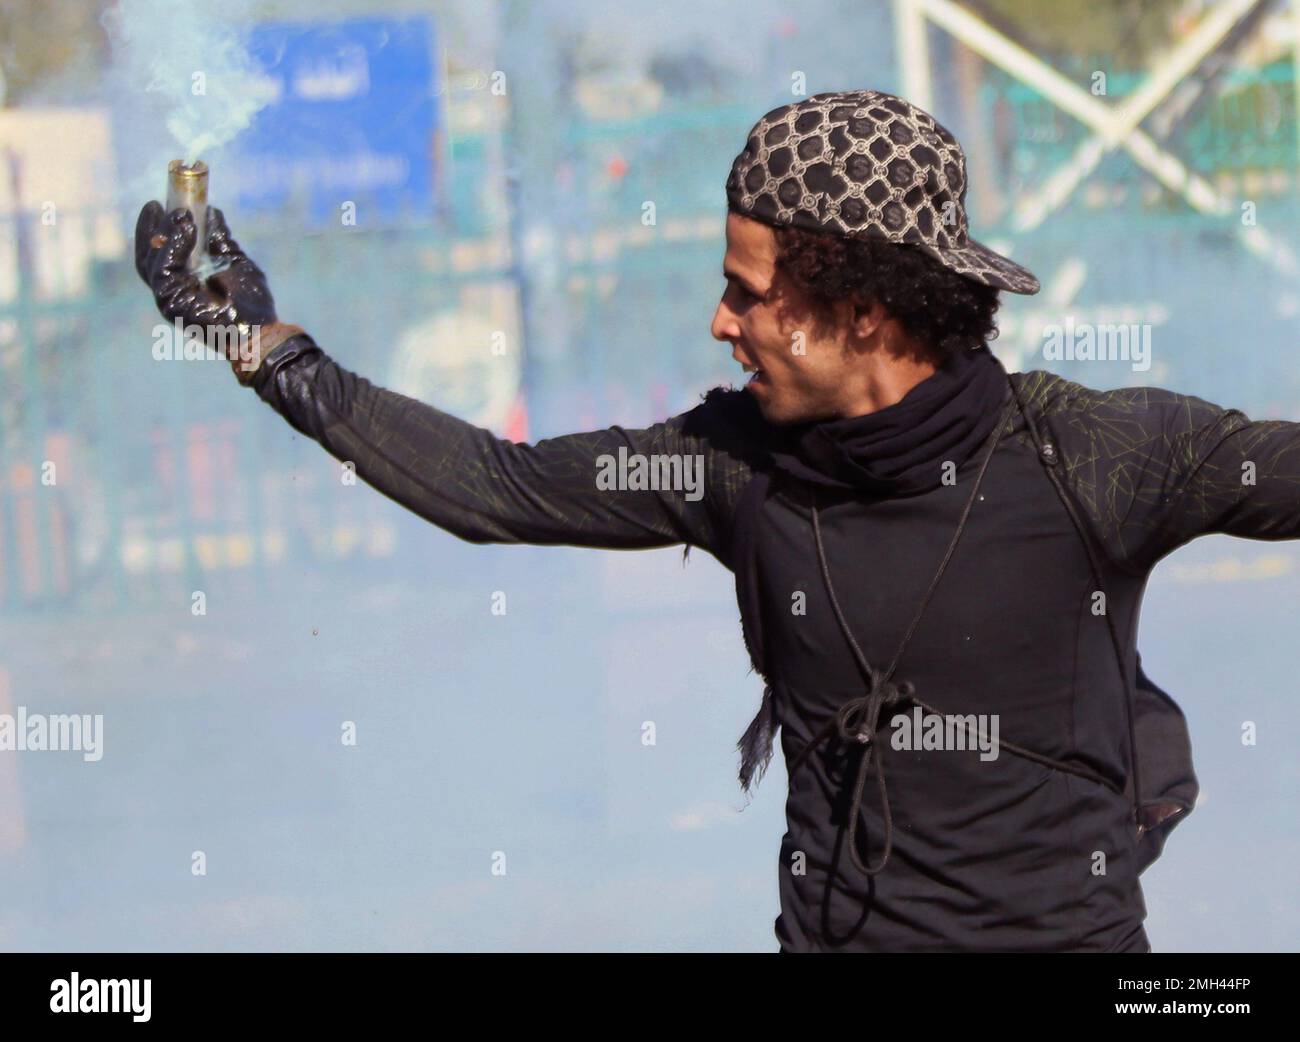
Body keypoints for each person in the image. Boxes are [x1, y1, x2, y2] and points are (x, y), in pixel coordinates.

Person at [135, 90, 1300, 952]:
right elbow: (496, 487)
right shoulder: (735, 464)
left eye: (747, 293)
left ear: (858, 309)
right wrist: (263, 347)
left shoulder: (1094, 456)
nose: (718, 321)